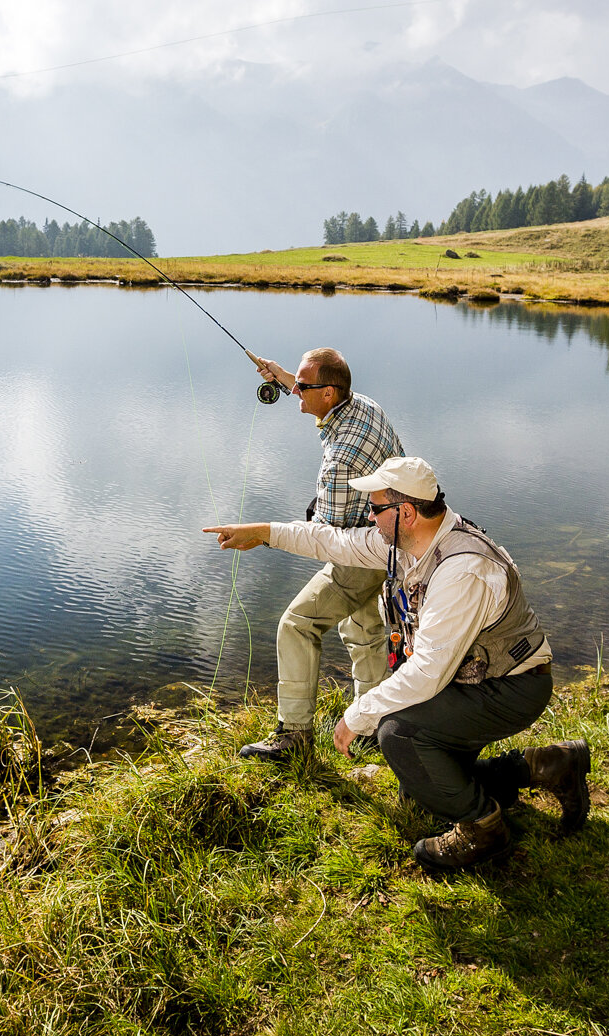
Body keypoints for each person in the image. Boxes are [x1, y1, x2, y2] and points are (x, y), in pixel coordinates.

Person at [204, 456, 589, 871]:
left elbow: (426, 672)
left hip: (510, 686)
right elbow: (333, 542)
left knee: (397, 734)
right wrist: (262, 533)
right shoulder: (408, 543)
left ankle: (484, 830)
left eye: (374, 509)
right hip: (471, 680)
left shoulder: (462, 570)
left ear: (405, 512)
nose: (369, 519)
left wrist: (357, 715)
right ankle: (548, 765)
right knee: (420, 787)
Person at [236, 346, 405, 763]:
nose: (296, 391)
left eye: (303, 387)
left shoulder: (341, 460)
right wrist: (282, 377)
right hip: (398, 541)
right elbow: (312, 390)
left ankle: (294, 735)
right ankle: (372, 724)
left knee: (297, 623)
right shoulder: (361, 404)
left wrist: (263, 534)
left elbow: (325, 539)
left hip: (365, 550)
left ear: (329, 393)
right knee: (362, 627)